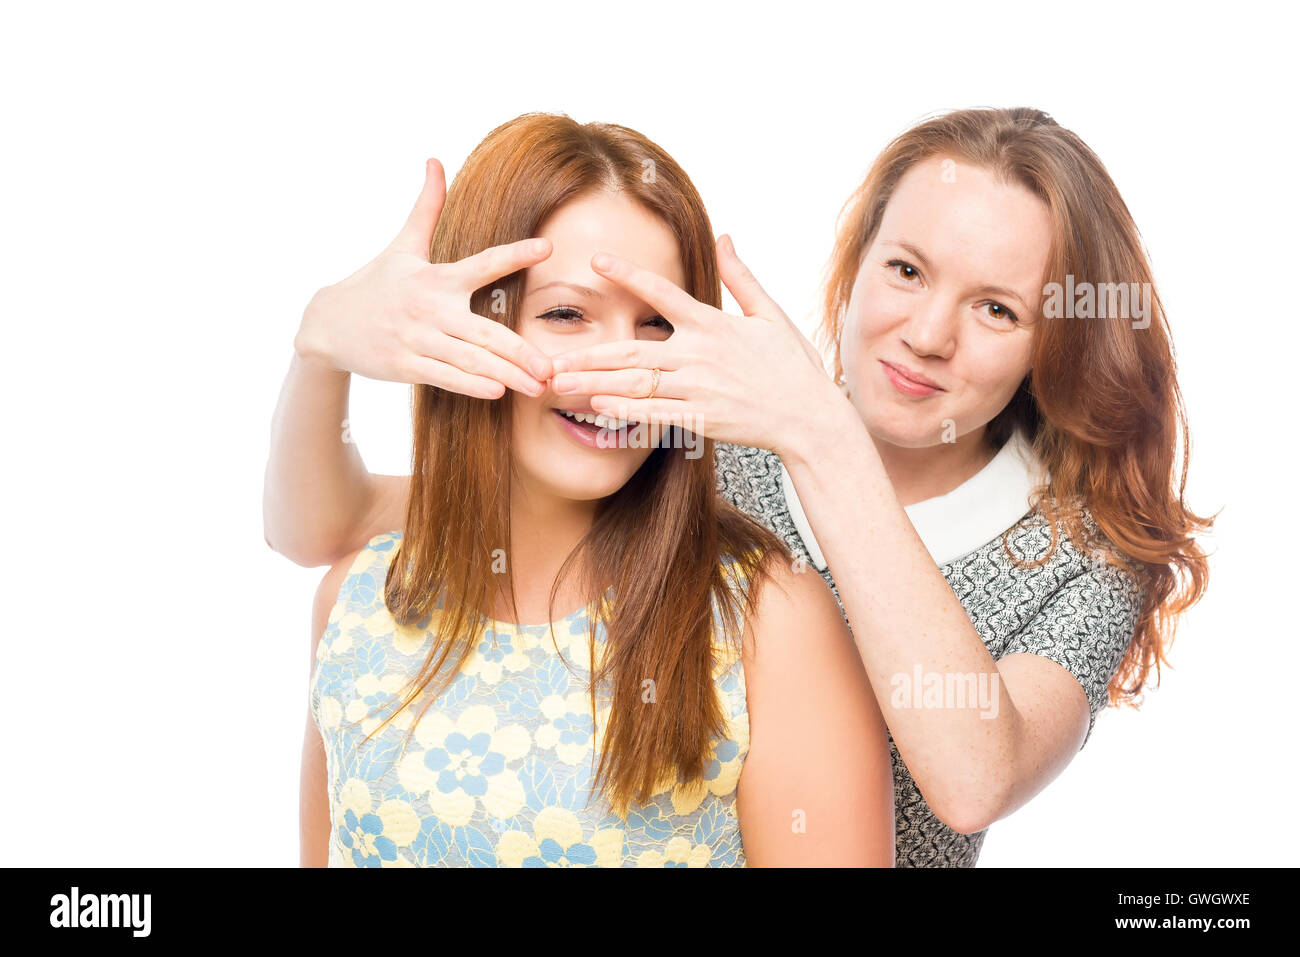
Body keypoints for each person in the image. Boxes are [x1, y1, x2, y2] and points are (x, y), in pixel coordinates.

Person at [271, 107, 1212, 866]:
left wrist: (820, 436)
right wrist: (321, 334)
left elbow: (973, 778)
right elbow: (367, 525)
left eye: (998, 308)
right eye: (907, 269)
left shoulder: (1087, 561)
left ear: (1059, 338)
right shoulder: (704, 429)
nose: (928, 333)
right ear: (857, 261)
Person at [292, 112, 896, 868]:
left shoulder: (768, 625)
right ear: (464, 322)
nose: (621, 370)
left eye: (656, 324)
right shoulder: (356, 600)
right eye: (567, 313)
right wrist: (319, 335)